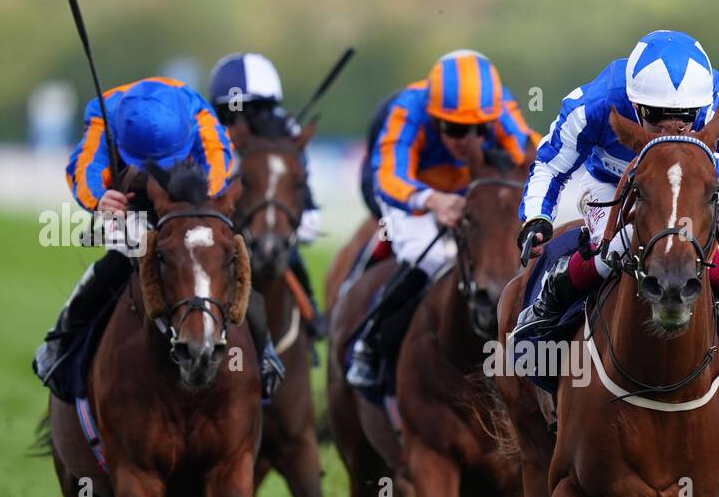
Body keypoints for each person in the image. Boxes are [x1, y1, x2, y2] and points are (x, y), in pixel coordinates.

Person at [513, 30, 719, 391]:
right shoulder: (598, 99)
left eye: (684, 116)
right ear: (635, 105)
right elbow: (550, 163)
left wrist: (685, 163)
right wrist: (537, 217)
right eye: (655, 116)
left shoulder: (714, 95)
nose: (670, 125)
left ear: (699, 107)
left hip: (682, 184)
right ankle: (547, 306)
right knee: (622, 242)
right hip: (609, 183)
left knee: (692, 242)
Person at [31, 76, 284, 400]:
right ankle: (61, 342)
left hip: (193, 198)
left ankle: (265, 353)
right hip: (134, 204)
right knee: (116, 262)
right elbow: (83, 167)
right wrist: (100, 199)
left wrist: (197, 207)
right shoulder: (103, 115)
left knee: (226, 259)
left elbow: (220, 170)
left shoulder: (198, 114)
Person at [346, 49, 539, 390]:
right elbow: (389, 177)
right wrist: (432, 200)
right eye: (455, 129)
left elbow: (532, 156)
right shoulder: (408, 110)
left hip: (469, 191)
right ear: (435, 119)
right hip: (412, 193)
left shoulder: (501, 108)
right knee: (433, 256)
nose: (469, 142)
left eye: (479, 131)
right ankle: (370, 341)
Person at [208, 52, 325, 339]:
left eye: (252, 111)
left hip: (266, 226)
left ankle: (310, 311)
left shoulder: (288, 132)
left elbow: (302, 197)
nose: (242, 121)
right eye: (233, 112)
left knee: (288, 249)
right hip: (224, 224)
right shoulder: (209, 133)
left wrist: (303, 214)